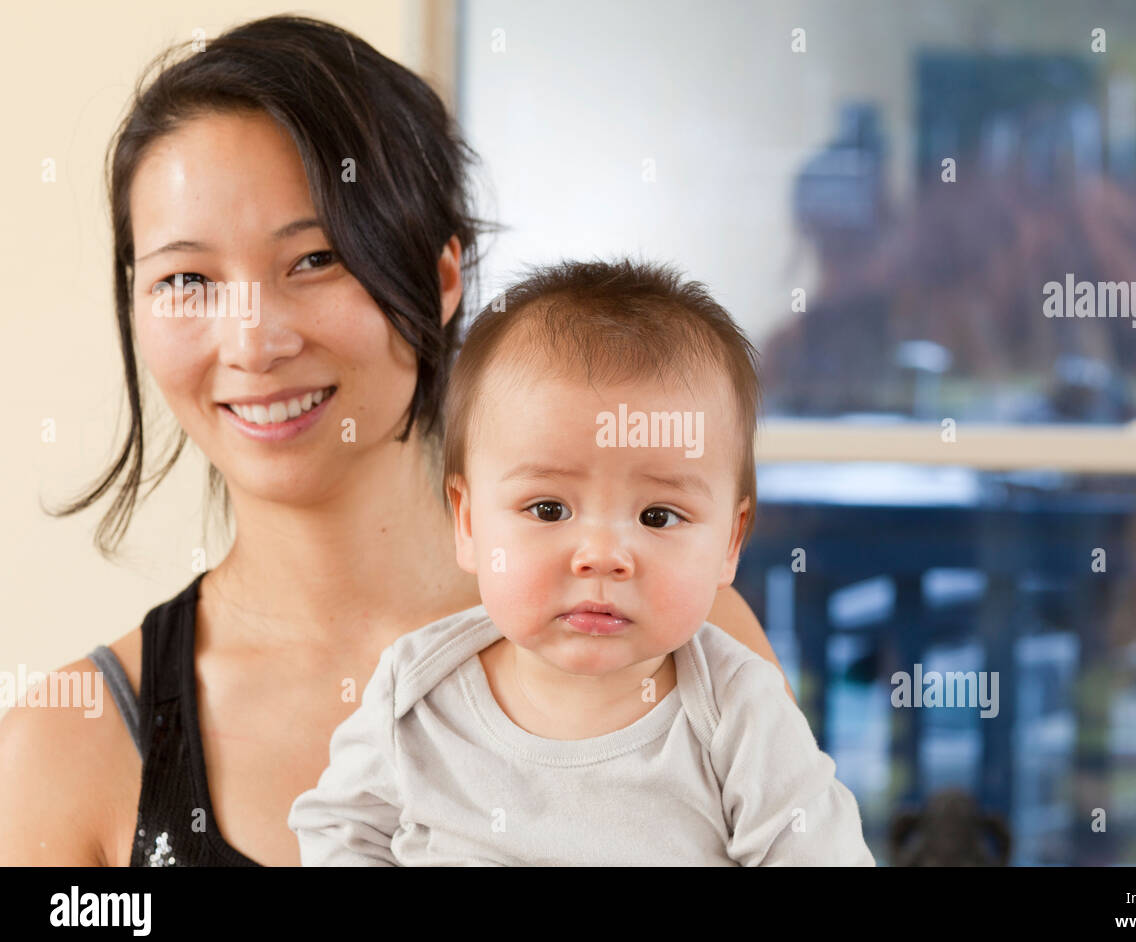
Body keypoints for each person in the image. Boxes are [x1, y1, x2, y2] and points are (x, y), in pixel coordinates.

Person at [0, 16, 789, 867]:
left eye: (314, 260)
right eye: (186, 279)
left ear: (441, 277)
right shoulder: (70, 741)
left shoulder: (684, 641)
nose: (253, 343)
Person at [288, 260, 874, 866]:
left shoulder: (739, 715)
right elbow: (339, 828)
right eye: (548, 508)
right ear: (467, 522)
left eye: (657, 517)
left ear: (731, 540)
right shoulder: (413, 694)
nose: (601, 556)